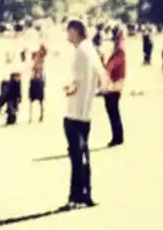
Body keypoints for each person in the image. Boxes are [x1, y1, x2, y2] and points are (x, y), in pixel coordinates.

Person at [62, 19, 103, 210]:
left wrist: (70, 88)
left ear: (76, 31)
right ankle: (85, 193)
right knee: (84, 155)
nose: (67, 35)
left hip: (74, 113)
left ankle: (76, 196)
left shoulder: (80, 52)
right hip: (86, 113)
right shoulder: (91, 49)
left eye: (69, 31)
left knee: (77, 157)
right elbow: (101, 76)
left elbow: (76, 81)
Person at [102, 30, 126, 147]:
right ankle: (116, 136)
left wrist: (106, 69)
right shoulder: (117, 51)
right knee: (112, 111)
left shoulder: (120, 51)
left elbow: (112, 65)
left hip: (114, 85)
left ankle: (118, 137)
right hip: (112, 84)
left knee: (113, 111)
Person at [27, 31, 48, 123]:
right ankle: (37, 115)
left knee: (37, 100)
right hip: (38, 79)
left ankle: (37, 116)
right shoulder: (38, 58)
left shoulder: (40, 59)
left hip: (37, 79)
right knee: (37, 100)